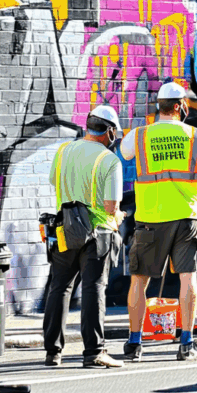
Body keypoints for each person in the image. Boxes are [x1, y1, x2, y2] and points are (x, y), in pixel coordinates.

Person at [121, 82, 197, 362]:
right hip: (186, 218)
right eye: (186, 103)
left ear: (159, 106)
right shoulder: (196, 136)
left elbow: (125, 153)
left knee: (139, 280)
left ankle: (134, 344)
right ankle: (187, 344)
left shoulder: (140, 136)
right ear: (179, 106)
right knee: (188, 278)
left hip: (150, 218)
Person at [43, 105, 126, 368]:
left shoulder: (64, 150)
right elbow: (111, 205)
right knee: (93, 289)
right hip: (98, 233)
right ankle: (94, 352)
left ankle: (53, 353)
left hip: (65, 230)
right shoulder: (109, 160)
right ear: (110, 132)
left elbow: (54, 183)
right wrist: (120, 215)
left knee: (59, 288)